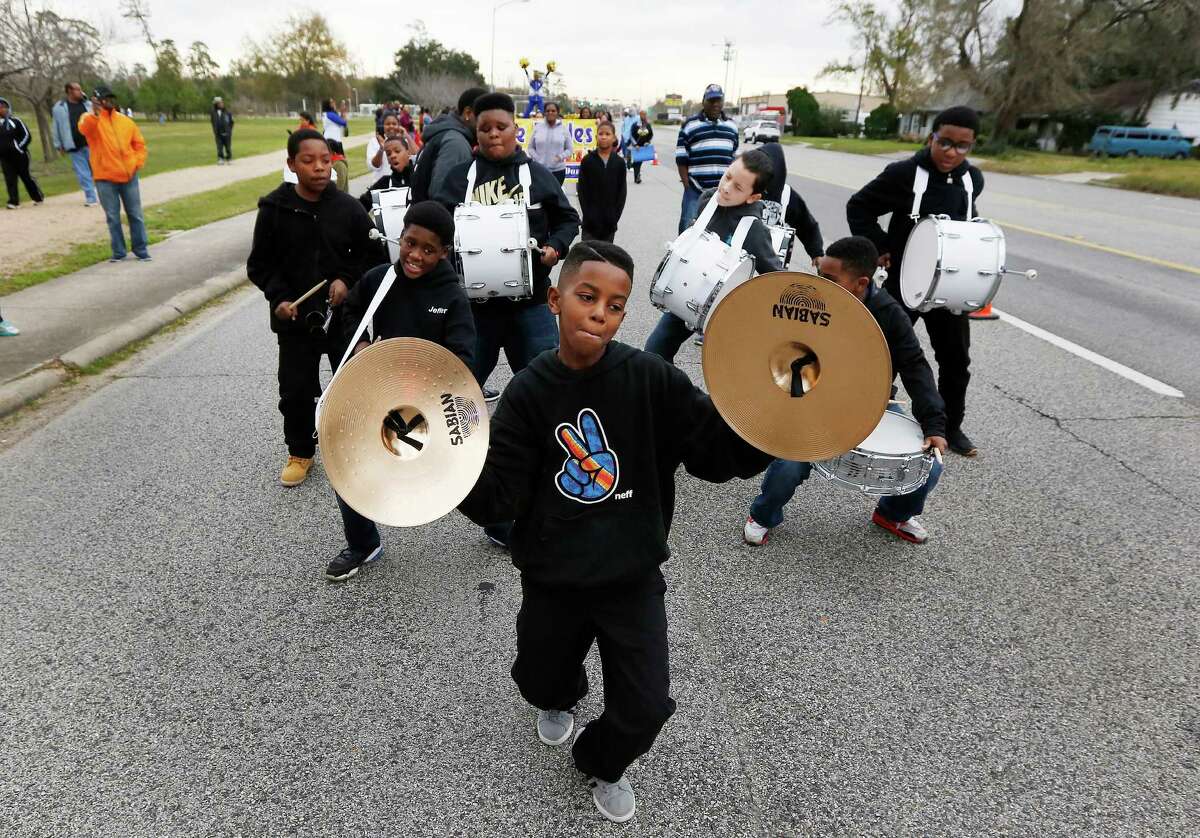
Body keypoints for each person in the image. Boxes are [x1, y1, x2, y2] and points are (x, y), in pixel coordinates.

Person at [458, 241, 773, 824]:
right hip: (553, 573)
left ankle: (602, 759)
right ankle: (558, 694)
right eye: (587, 297)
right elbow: (500, 496)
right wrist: (445, 473)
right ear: (555, 299)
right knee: (539, 676)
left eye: (616, 304)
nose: (600, 312)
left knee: (646, 706)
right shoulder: (528, 393)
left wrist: (769, 419)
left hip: (631, 572)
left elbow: (712, 454)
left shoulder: (651, 378)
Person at [743, 236, 948, 547]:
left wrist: (934, 424)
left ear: (860, 283)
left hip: (873, 404)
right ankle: (763, 515)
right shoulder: (810, 302)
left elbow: (916, 366)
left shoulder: (889, 314)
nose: (819, 284)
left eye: (829, 279)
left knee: (926, 465)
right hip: (814, 399)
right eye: (819, 275)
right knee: (789, 464)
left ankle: (892, 514)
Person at [326, 201, 476, 581]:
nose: (416, 255)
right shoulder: (379, 279)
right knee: (347, 461)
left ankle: (502, 525)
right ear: (401, 237)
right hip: (381, 396)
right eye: (410, 243)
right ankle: (363, 543)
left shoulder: (453, 296)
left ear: (444, 252)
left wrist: (434, 378)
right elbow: (352, 311)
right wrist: (359, 345)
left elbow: (463, 357)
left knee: (467, 469)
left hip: (431, 403)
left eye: (429, 250)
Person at [847, 105, 985, 457]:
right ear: (931, 138)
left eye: (962, 146)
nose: (952, 152)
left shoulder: (973, 181)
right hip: (904, 284)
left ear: (972, 146)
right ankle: (860, 416)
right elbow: (858, 206)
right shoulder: (904, 173)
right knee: (884, 353)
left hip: (948, 288)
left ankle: (950, 427)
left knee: (955, 362)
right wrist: (881, 246)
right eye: (945, 142)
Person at [246, 129, 379, 487]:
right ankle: (300, 451)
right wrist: (279, 298)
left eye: (326, 160)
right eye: (309, 161)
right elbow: (259, 266)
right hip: (295, 321)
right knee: (295, 390)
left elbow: (374, 256)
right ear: (291, 164)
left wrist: (346, 282)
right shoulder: (274, 209)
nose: (320, 168)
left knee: (353, 383)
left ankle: (358, 445)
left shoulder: (349, 208)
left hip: (343, 316)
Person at [434, 92, 579, 406]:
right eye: (486, 128)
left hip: (530, 303)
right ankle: (462, 450)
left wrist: (555, 247)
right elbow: (436, 225)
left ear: (516, 129)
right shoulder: (460, 178)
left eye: (501, 126)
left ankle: (543, 451)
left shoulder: (537, 175)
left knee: (547, 389)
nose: (493, 133)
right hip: (474, 308)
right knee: (458, 394)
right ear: (477, 131)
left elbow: (568, 219)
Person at [644, 149, 782, 363]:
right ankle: (668, 392)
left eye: (738, 187)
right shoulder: (708, 199)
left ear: (752, 197)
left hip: (727, 311)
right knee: (655, 350)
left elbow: (776, 276)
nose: (726, 188)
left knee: (721, 370)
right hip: (692, 296)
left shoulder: (752, 229)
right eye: (727, 176)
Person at [77, 86, 149, 261]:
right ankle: (119, 251)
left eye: (111, 99)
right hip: (105, 177)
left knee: (135, 214)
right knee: (113, 217)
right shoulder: (90, 120)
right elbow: (85, 130)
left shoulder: (125, 121)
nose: (108, 102)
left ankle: (141, 249)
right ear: (96, 101)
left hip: (129, 175)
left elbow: (139, 144)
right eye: (104, 99)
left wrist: (136, 163)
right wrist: (95, 113)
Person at [675, 84, 738, 233]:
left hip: (724, 191)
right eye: (711, 101)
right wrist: (687, 185)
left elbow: (734, 159)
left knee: (721, 233)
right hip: (696, 190)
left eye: (719, 100)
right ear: (704, 101)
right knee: (687, 229)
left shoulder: (732, 127)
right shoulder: (690, 125)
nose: (715, 104)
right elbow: (681, 158)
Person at [410, 86, 487, 203]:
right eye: (484, 117)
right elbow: (443, 197)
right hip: (433, 218)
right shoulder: (455, 143)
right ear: (468, 113)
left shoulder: (449, 133)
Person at [759, 142, 824, 267]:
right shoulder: (743, 186)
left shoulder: (787, 195)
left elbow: (806, 225)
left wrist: (816, 252)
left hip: (773, 267)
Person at [576, 122, 626, 243]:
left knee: (605, 258)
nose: (604, 137)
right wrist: (588, 214)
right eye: (601, 134)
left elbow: (621, 193)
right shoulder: (587, 161)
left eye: (607, 134)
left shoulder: (619, 162)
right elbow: (582, 190)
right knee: (588, 256)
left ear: (614, 138)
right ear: (596, 137)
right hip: (590, 224)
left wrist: (614, 217)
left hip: (609, 224)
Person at [51, 82, 97, 207]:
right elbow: (56, 127)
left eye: (81, 89)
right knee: (83, 173)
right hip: (73, 145)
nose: (81, 92)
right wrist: (58, 144)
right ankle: (91, 197)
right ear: (70, 91)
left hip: (92, 143)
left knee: (97, 169)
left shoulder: (88, 105)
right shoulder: (59, 108)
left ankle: (103, 192)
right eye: (78, 90)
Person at [0, 97, 44, 210]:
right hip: (5, 157)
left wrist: (19, 147)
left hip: (20, 155)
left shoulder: (16, 121)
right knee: (10, 179)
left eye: (4, 107)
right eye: (1, 107)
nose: (2, 109)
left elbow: (27, 136)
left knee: (26, 177)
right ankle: (14, 202)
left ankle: (37, 197)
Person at [358, 136, 414, 212]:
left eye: (397, 151)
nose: (393, 156)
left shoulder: (420, 178)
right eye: (388, 154)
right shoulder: (384, 183)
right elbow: (361, 206)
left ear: (408, 152)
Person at [528, 102, 573, 185]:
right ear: (544, 112)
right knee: (540, 196)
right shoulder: (537, 128)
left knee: (556, 196)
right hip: (539, 170)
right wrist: (538, 158)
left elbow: (569, 149)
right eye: (548, 111)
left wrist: (560, 157)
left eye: (553, 111)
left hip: (558, 171)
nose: (550, 113)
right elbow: (530, 148)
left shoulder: (563, 129)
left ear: (557, 113)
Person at [321, 98, 350, 191]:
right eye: (332, 102)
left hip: (334, 139)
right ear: (328, 104)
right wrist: (344, 115)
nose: (334, 103)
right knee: (339, 162)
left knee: (339, 162)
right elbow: (343, 122)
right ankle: (341, 187)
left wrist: (342, 113)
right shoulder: (330, 114)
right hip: (333, 140)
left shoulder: (330, 114)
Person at [366, 111, 404, 180]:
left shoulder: (403, 140)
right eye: (388, 124)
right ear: (382, 126)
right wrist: (381, 149)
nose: (391, 126)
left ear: (398, 126)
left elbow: (415, 157)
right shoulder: (374, 142)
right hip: (381, 186)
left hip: (400, 186)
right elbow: (375, 166)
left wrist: (407, 136)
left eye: (394, 124)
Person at [629, 110, 653, 184]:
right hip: (636, 146)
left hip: (644, 147)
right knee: (637, 162)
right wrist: (635, 144)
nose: (644, 116)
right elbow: (631, 135)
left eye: (645, 114)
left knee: (639, 162)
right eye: (642, 114)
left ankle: (636, 174)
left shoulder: (648, 125)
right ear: (640, 115)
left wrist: (648, 142)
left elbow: (651, 135)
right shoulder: (635, 124)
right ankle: (637, 177)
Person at [211, 96, 234, 164]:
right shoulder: (213, 112)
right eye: (219, 103)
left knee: (228, 146)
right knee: (219, 147)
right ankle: (220, 158)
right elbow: (212, 122)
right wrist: (215, 130)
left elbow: (231, 122)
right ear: (216, 104)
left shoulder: (228, 112)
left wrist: (229, 130)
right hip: (218, 133)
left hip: (227, 133)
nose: (221, 104)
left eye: (222, 102)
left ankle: (229, 158)